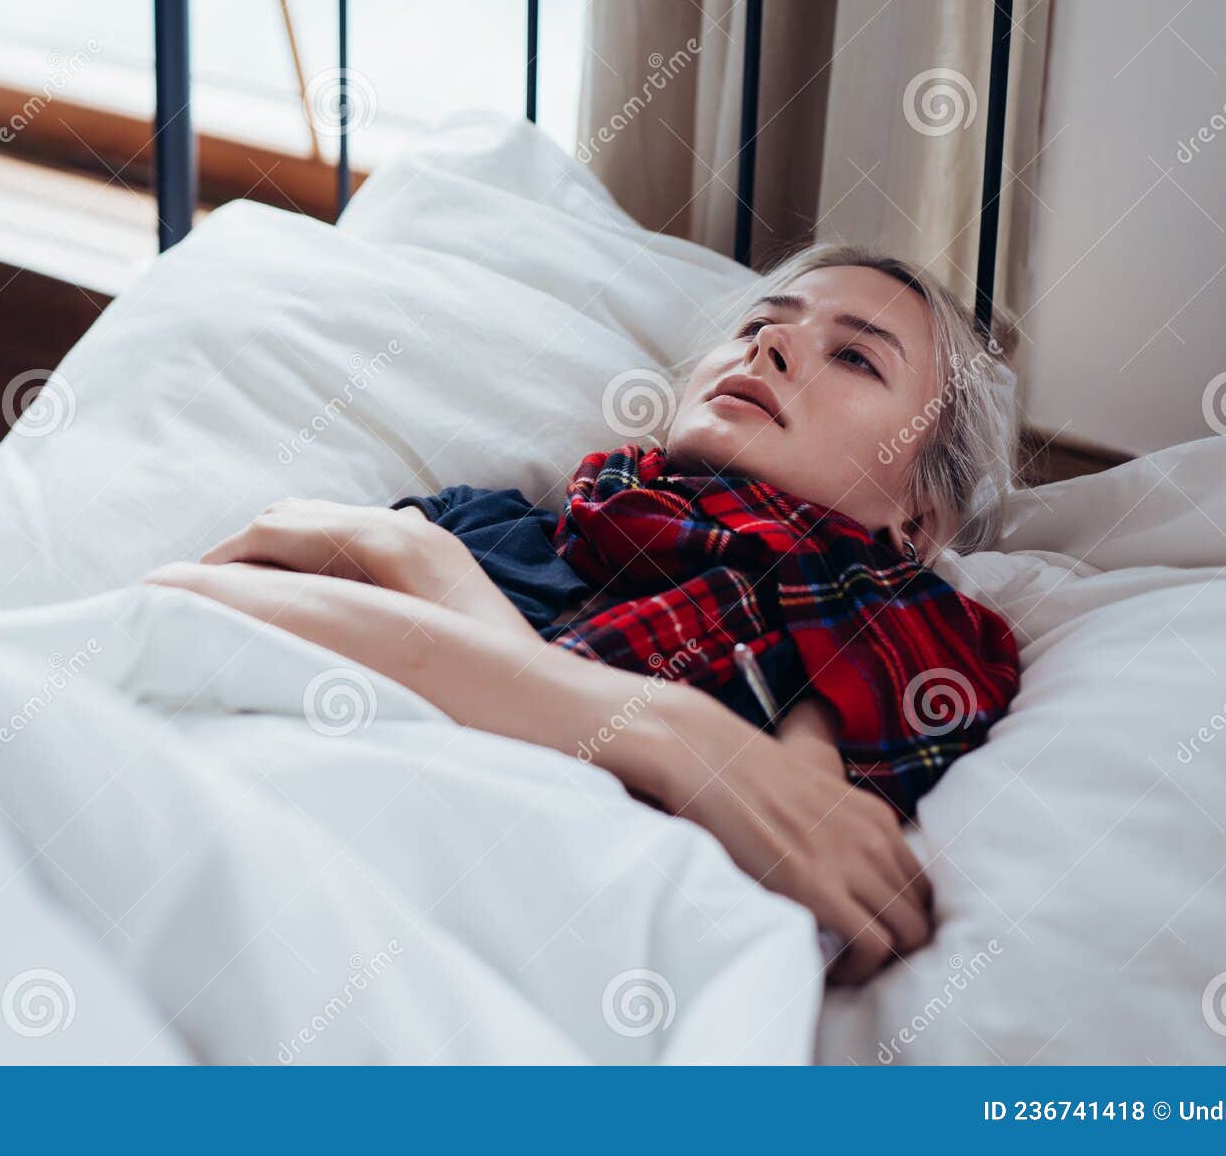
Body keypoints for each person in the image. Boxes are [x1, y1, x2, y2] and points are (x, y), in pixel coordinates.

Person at [145, 243, 1022, 985]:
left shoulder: (874, 630)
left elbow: (781, 894)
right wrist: (674, 735)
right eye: (757, 325)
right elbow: (180, 608)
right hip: (208, 834)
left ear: (917, 522)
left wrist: (426, 579)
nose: (774, 346)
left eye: (856, 357)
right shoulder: (480, 526)